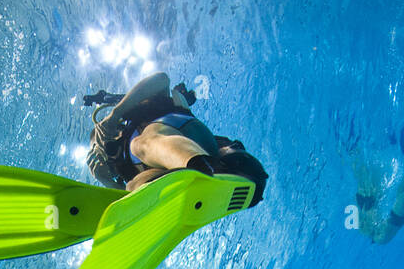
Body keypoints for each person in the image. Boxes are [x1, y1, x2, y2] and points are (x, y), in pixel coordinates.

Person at [86, 71, 268, 199]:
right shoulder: (122, 170)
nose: (104, 143)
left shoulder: (137, 116)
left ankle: (208, 169)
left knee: (141, 144)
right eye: (99, 145)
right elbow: (132, 203)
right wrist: (108, 182)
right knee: (133, 187)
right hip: (177, 175)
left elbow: (162, 79)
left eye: (101, 136)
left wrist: (115, 114)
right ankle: (210, 173)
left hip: (187, 134)